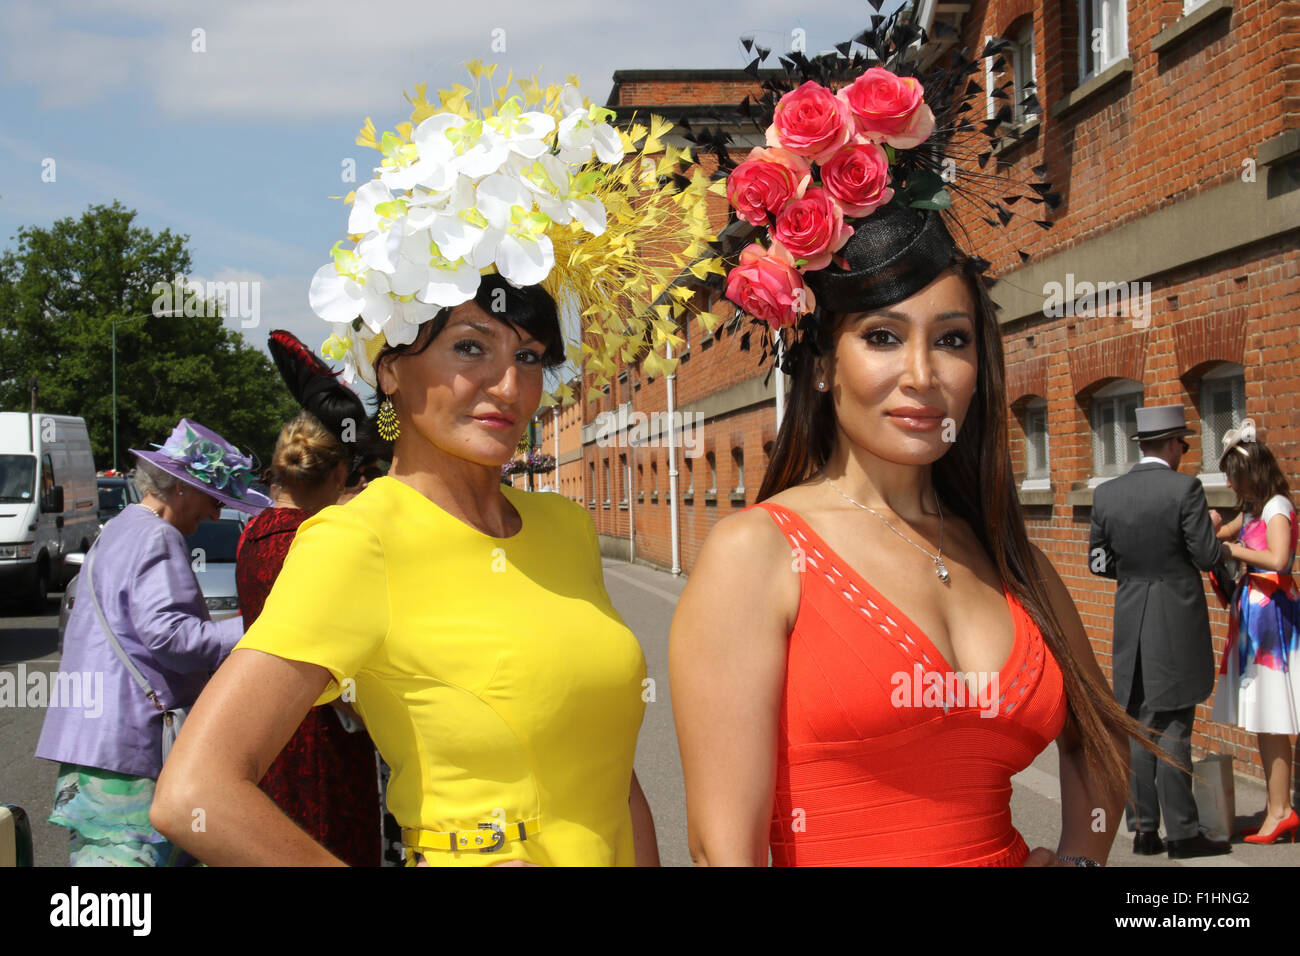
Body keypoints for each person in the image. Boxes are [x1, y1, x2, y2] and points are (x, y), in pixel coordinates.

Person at [670, 29, 1154, 865]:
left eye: (954, 341)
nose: (924, 375)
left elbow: (1099, 741)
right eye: (884, 338)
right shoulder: (757, 554)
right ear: (822, 367)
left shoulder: (1004, 553)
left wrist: (1080, 856)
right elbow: (722, 851)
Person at [35, 418, 269, 865]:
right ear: (179, 487)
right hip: (131, 743)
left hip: (95, 738)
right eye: (212, 499)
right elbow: (170, 637)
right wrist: (257, 627)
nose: (216, 514)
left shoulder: (122, 526)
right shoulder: (158, 536)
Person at [236, 410, 382, 867]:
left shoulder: (252, 535)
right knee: (329, 845)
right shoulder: (313, 543)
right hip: (324, 738)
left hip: (266, 728)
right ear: (338, 473)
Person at [1089, 404, 1232, 859]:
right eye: (1183, 444)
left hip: (1131, 617)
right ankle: (1184, 834)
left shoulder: (1107, 493)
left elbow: (1097, 563)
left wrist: (1135, 573)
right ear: (1172, 444)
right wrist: (1213, 531)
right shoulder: (1185, 489)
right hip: (1175, 618)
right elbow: (1207, 556)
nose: (1184, 452)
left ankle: (1144, 830)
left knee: (1139, 725)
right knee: (1173, 726)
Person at [1209, 424, 1299, 844]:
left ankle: (1281, 810)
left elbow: (1279, 559)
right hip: (1256, 620)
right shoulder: (1254, 509)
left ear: (1251, 472)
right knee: (1266, 719)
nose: (1229, 482)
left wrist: (1233, 550)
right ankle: (1275, 806)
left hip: (1272, 624)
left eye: (1233, 474)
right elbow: (1221, 534)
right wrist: (1208, 522)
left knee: (1275, 717)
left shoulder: (1277, 506)